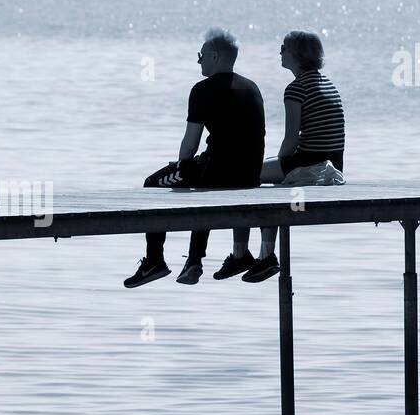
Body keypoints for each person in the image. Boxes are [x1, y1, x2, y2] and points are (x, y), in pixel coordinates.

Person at [124, 27, 264, 287]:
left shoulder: (202, 90)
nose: (198, 60)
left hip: (216, 174)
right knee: (205, 180)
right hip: (250, 174)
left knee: (152, 185)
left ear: (213, 56)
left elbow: (190, 145)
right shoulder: (252, 87)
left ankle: (155, 260)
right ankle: (193, 261)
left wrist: (181, 165)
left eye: (200, 55)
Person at [229, 29, 346, 282]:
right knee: (264, 174)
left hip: (309, 162)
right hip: (333, 165)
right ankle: (261, 256)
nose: (279, 52)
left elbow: (291, 140)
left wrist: (279, 164)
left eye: (284, 48)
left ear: (297, 55)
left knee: (245, 175)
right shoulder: (327, 83)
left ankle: (248, 254)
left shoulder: (296, 89)